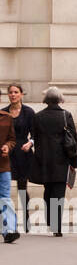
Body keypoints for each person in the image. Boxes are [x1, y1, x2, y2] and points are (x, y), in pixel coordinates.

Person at [30, 87, 77, 236]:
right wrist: (74, 162)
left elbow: (34, 138)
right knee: (59, 193)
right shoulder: (66, 115)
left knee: (48, 190)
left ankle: (50, 221)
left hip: (44, 160)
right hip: (61, 160)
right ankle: (56, 226)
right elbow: (73, 140)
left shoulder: (38, 116)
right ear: (59, 99)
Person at [6, 84, 36, 234]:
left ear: (21, 94)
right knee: (4, 189)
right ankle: (7, 221)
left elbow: (35, 133)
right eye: (10, 92)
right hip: (6, 152)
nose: (13, 95)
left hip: (23, 153)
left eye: (16, 92)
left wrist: (30, 143)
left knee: (22, 187)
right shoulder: (3, 112)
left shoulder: (28, 112)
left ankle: (26, 218)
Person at [0, 102, 18, 243]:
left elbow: (12, 139)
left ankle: (9, 231)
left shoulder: (6, 118)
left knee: (5, 198)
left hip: (3, 165)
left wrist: (7, 146)